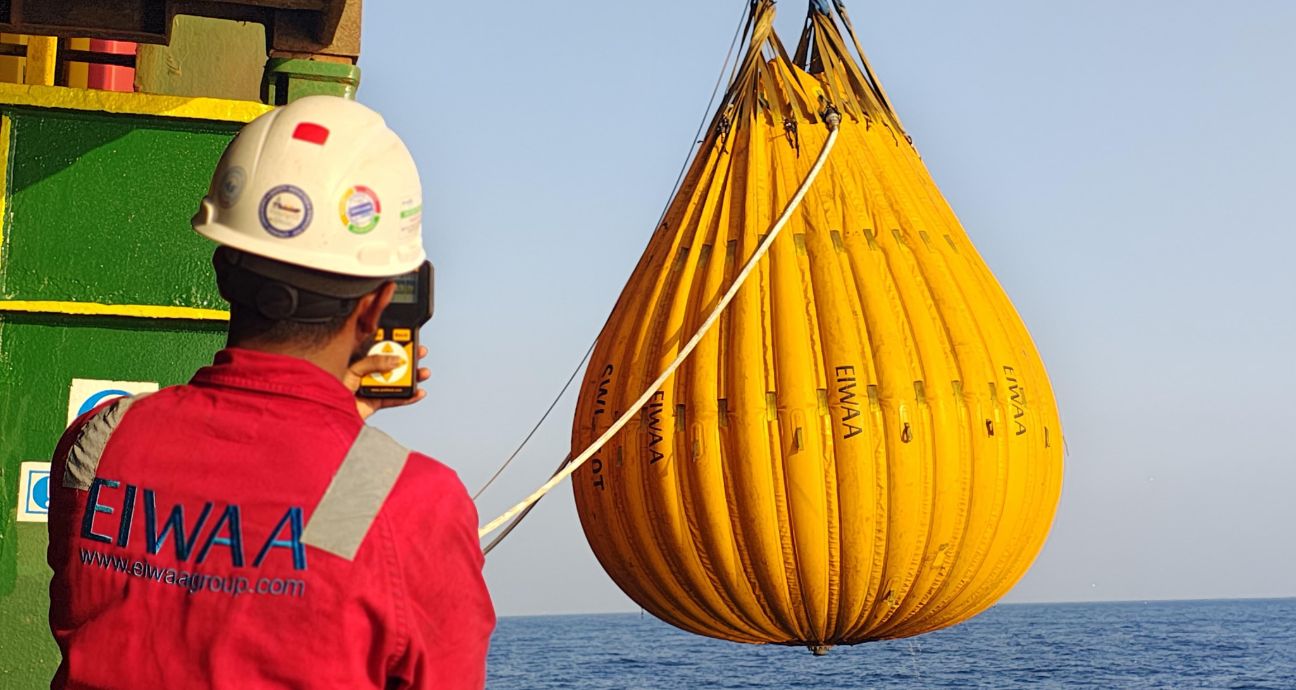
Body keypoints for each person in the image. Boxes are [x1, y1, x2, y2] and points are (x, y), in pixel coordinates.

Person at [45, 95, 495, 689]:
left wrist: (342, 429)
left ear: (223, 269)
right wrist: (347, 440)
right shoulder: (412, 504)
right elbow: (302, 596)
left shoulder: (102, 441)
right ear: (378, 306)